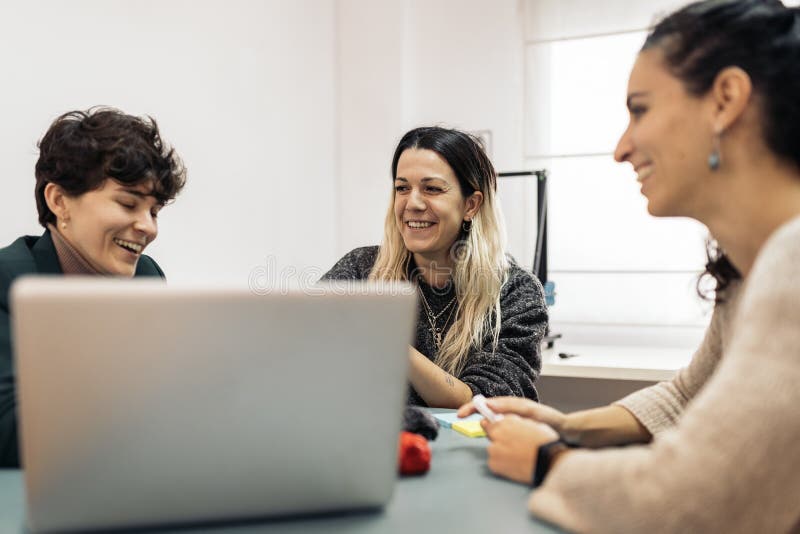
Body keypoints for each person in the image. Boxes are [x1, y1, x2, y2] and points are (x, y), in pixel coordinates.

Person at [459, 1, 800, 532]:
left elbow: (694, 500)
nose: (621, 149)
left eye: (639, 110)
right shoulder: (754, 269)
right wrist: (567, 427)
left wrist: (547, 461)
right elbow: (691, 393)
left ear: (725, 99)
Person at [0, 107, 186, 468]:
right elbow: (8, 432)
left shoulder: (148, 278)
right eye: (128, 203)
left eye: (154, 211)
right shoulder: (6, 281)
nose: (148, 227)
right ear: (59, 201)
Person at [322, 126, 547, 408]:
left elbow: (482, 402)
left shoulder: (514, 292)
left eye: (432, 189)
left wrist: (387, 339)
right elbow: (299, 353)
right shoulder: (360, 270)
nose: (412, 203)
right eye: (402, 188)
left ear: (471, 205)